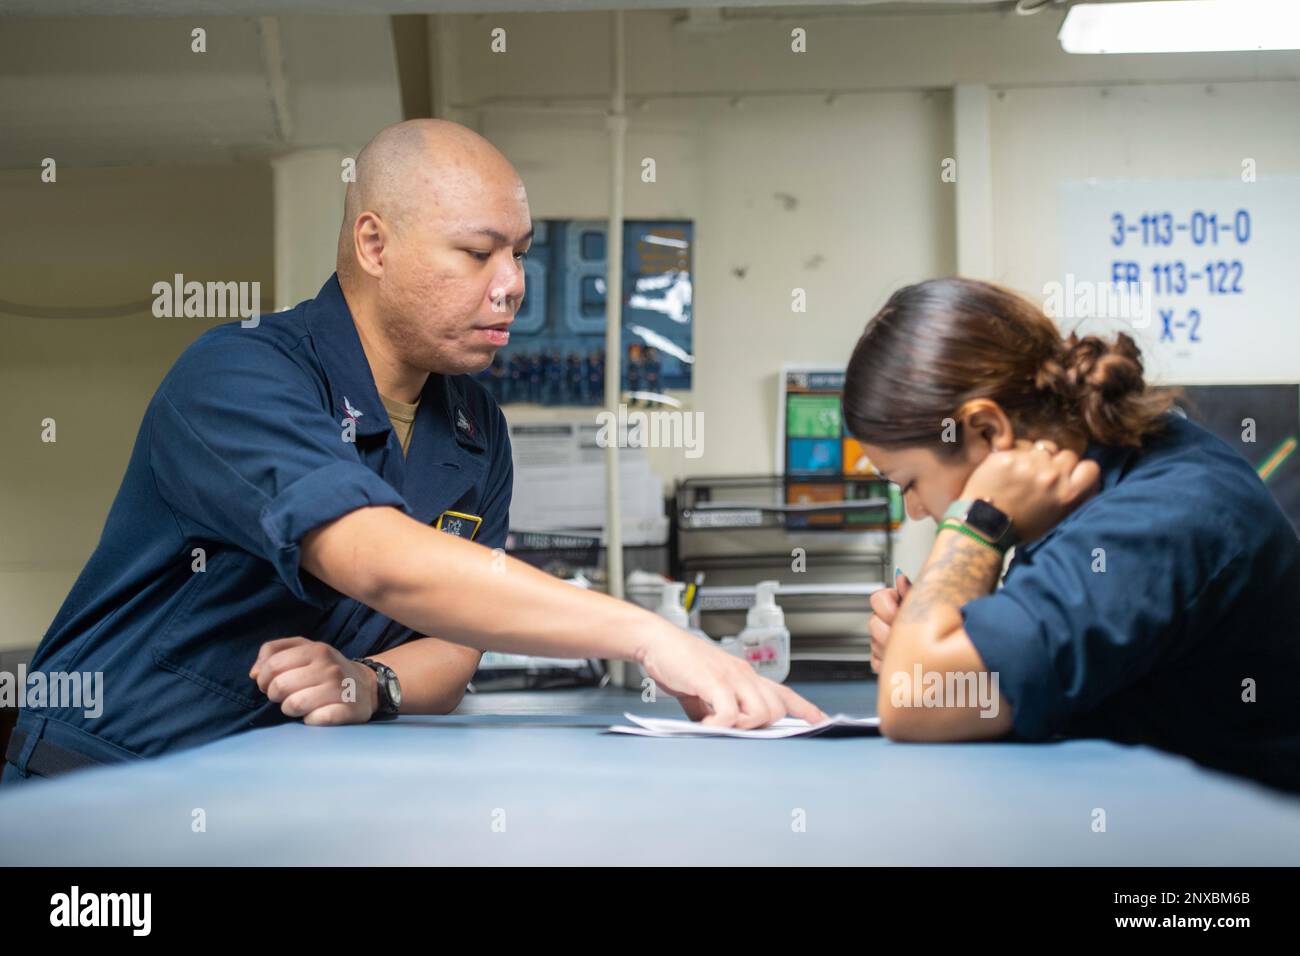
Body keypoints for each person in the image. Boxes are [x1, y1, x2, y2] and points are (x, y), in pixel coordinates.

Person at [3, 119, 823, 784]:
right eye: (477, 252)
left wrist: (371, 682)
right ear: (373, 243)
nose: (512, 284)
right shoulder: (239, 373)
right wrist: (648, 635)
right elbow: (380, 560)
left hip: (267, 789)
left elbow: (454, 638)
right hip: (106, 775)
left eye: (521, 252)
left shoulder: (474, 426)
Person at [850, 277, 1300, 791]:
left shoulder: (1157, 518)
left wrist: (978, 522)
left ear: (987, 431)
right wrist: (928, 640)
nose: (915, 509)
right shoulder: (1091, 488)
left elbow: (917, 697)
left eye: (910, 483)